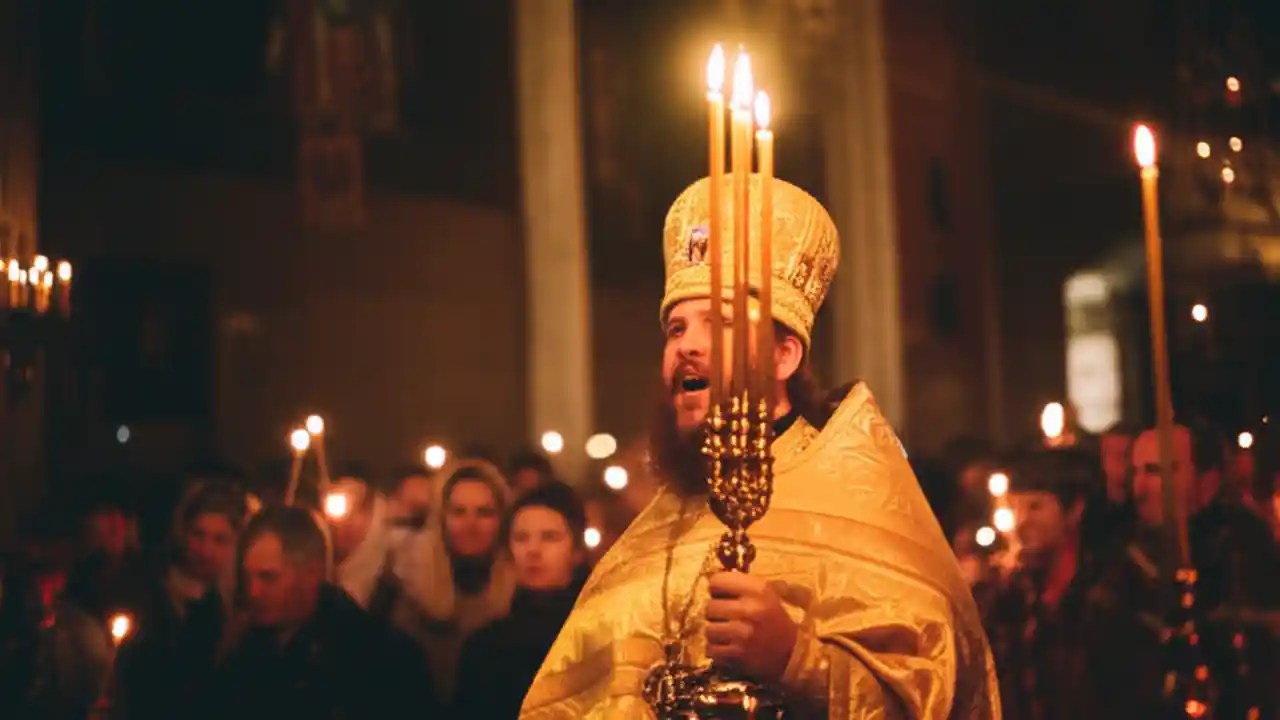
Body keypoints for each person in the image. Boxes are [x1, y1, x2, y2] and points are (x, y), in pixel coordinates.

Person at [520, 176, 999, 717]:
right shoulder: (657, 528)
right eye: (676, 329)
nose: (688, 346)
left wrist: (796, 659)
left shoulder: (860, 503)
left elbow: (934, 697)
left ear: (783, 356)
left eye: (718, 322)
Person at [202, 506, 434, 719]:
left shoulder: (380, 658)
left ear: (312, 573)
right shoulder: (240, 649)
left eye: (268, 577)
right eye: (247, 577)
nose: (253, 592)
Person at [114, 482, 249, 720]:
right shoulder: (151, 595)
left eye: (220, 540)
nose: (206, 550)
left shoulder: (234, 602)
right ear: (182, 534)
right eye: (199, 535)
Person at [454, 481, 589, 718]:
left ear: (576, 550)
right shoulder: (485, 647)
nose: (533, 550)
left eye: (550, 537)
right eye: (521, 538)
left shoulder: (596, 640)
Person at [395, 459, 516, 702]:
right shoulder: (413, 599)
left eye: (485, 513)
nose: (470, 525)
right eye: (458, 512)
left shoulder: (520, 596)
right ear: (442, 520)